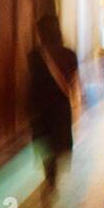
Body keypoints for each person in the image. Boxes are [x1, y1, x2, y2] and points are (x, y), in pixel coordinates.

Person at [28, 13, 79, 196]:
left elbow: (32, 81)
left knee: (45, 141)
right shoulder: (70, 55)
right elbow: (73, 83)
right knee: (58, 141)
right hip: (60, 107)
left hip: (39, 107)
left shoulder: (34, 55)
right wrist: (77, 105)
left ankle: (50, 177)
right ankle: (52, 177)